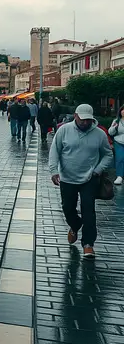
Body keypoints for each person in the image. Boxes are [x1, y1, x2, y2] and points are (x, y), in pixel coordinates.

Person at [49, 104, 114, 259]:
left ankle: (88, 244)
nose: (85, 123)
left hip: (89, 178)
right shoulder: (64, 130)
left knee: (89, 211)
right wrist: (54, 170)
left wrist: (98, 170)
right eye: (83, 119)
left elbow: (108, 154)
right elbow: (54, 150)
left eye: (88, 120)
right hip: (67, 177)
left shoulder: (99, 134)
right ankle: (75, 225)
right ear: (76, 116)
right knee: (68, 208)